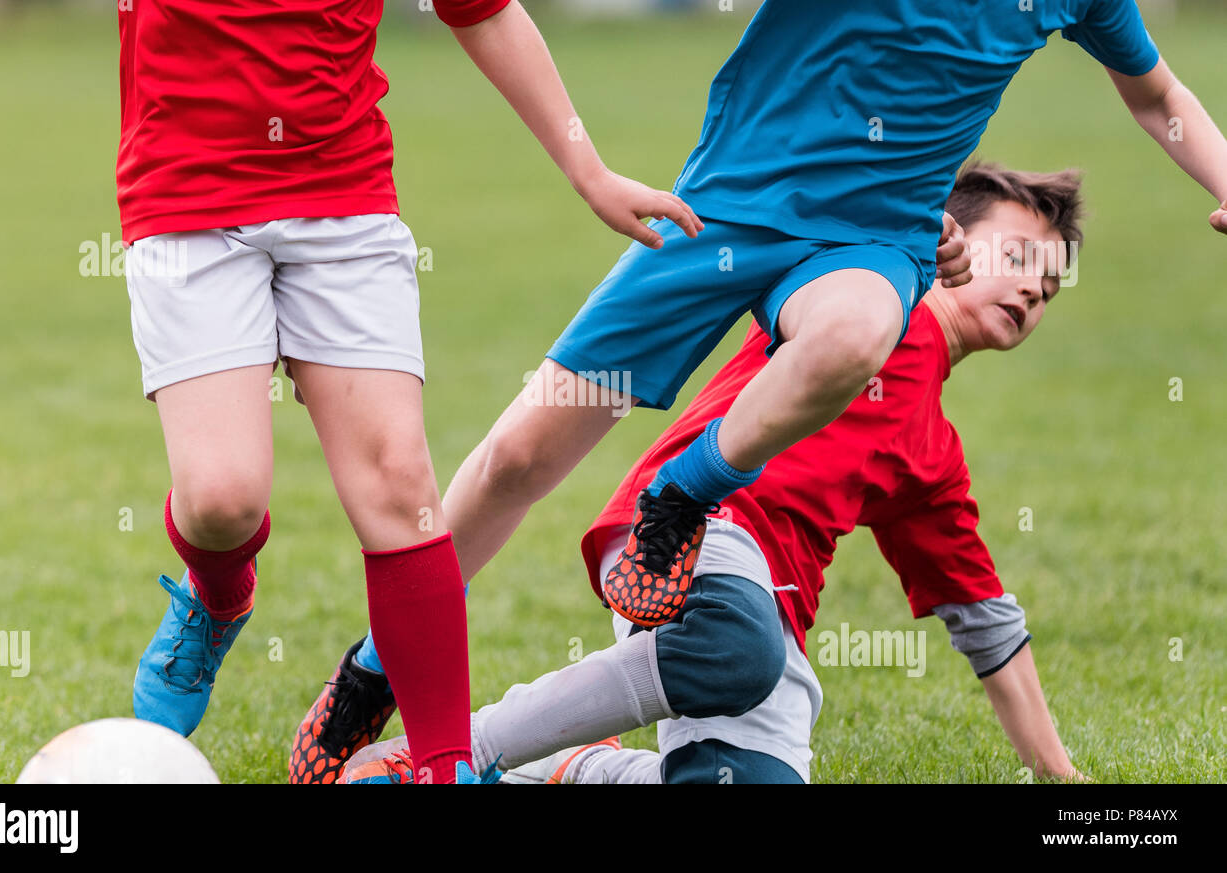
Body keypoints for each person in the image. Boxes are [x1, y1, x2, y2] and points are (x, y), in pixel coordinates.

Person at [432, 0, 1227, 632]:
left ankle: (680, 498)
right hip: (726, 207)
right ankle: (377, 667)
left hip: (874, 241)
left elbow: (1159, 98)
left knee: (854, 334)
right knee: (519, 457)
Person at [341, 162, 1091, 784]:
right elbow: (821, 204)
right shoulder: (856, 305)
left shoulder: (934, 456)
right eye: (1018, 258)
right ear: (953, 238)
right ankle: (447, 754)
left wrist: (1060, 776)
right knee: (736, 645)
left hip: (771, 628)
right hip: (687, 533)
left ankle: (575, 770)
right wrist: (898, 219)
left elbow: (987, 622)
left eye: (1050, 287)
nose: (1033, 289)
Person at [117, 0, 701, 786]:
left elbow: (483, 12)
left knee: (399, 484)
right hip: (187, 197)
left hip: (341, 196)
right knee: (223, 499)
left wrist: (587, 170)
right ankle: (217, 594)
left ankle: (444, 765)